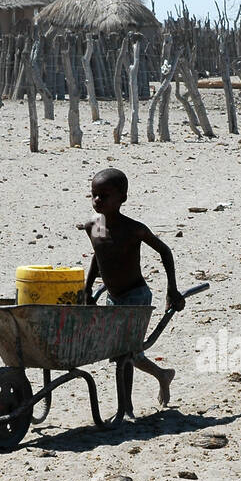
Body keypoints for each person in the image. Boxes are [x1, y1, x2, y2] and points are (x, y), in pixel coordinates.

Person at [80, 168, 186, 406]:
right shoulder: (95, 225)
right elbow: (99, 255)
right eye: (94, 195)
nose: (97, 200)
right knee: (125, 353)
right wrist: (87, 289)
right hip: (113, 297)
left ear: (122, 198)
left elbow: (165, 251)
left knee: (125, 354)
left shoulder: (132, 229)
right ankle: (162, 375)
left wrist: (172, 289)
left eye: (104, 196)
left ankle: (126, 408)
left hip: (136, 296)